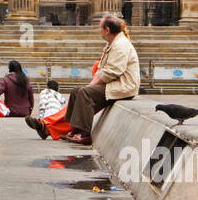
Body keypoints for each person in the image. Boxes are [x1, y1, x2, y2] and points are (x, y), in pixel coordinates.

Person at [59, 13, 140, 146]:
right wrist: (91, 84)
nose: (99, 31)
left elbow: (111, 72)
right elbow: (103, 70)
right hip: (115, 83)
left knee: (85, 93)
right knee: (76, 91)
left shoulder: (120, 45)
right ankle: (75, 129)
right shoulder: (113, 43)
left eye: (100, 28)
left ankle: (85, 135)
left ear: (107, 30)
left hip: (124, 86)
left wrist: (91, 86)